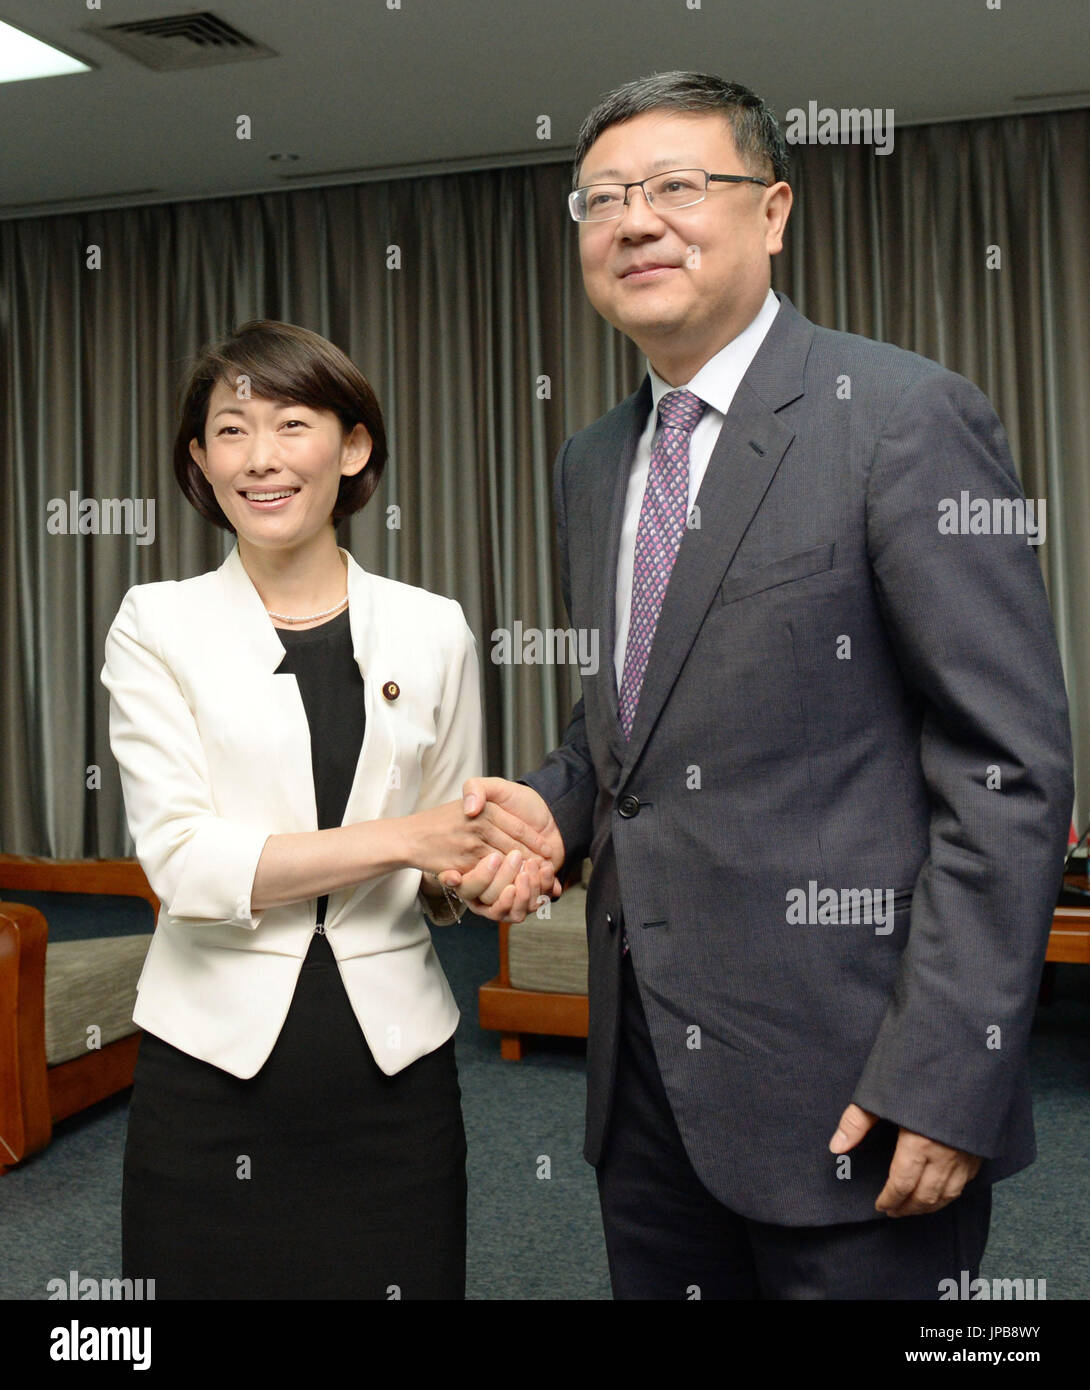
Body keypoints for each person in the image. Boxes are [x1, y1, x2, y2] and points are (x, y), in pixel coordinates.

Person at [440, 73, 1075, 1299]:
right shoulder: (590, 461)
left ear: (773, 211)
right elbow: (632, 708)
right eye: (603, 198)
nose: (633, 221)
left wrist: (948, 1076)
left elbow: (1007, 770)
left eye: (677, 187)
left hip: (857, 1095)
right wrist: (552, 807)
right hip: (646, 1092)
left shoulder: (900, 417)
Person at [100, 319, 553, 1299]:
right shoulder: (155, 623)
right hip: (207, 1065)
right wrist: (411, 839)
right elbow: (183, 863)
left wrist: (480, 877)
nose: (261, 458)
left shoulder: (434, 629)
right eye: (230, 430)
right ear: (199, 460)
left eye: (293, 423)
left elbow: (449, 848)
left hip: (393, 1074)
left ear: (351, 449)